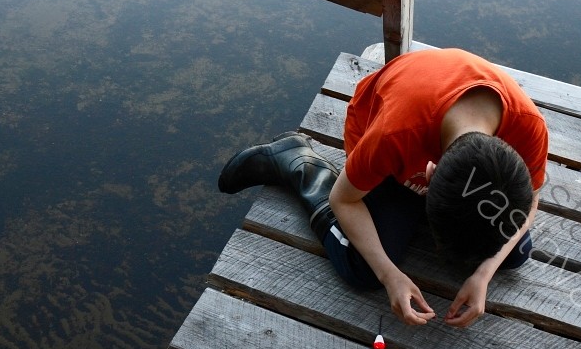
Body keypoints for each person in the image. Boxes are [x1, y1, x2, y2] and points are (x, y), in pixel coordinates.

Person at [218, 48, 548, 328]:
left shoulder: (529, 128)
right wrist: (389, 275)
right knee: (362, 269)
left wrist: (485, 272)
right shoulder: (393, 134)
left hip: (439, 154)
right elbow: (344, 200)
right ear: (427, 176)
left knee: (514, 252)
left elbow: (530, 200)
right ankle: (301, 165)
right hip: (384, 141)